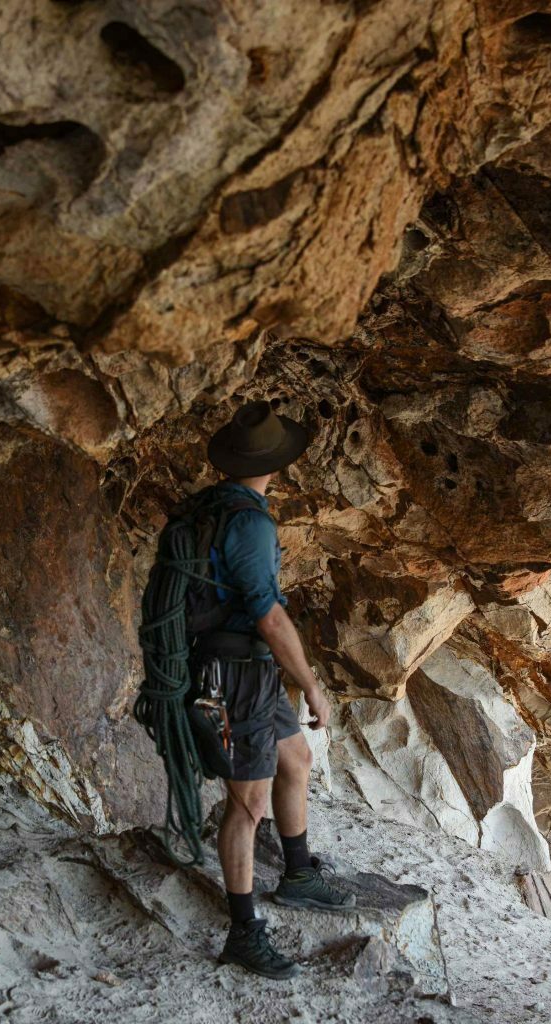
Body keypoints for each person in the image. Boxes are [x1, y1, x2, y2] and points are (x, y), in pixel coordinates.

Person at [196, 399, 354, 981]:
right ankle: (243, 933)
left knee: (296, 759)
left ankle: (298, 876)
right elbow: (268, 616)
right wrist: (311, 685)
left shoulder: (213, 506)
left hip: (247, 670)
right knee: (247, 805)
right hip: (236, 675)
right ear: (275, 462)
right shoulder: (250, 523)